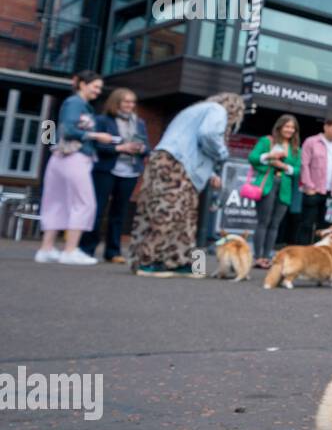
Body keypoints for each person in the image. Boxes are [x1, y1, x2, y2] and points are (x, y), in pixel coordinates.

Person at [129, 93, 245, 276]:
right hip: (177, 164)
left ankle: (184, 262)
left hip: (171, 162)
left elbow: (191, 143)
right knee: (169, 212)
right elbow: (208, 134)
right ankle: (148, 262)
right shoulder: (217, 110)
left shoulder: (193, 110)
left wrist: (209, 173)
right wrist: (222, 153)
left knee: (185, 217)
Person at [35, 70, 118, 265]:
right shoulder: (77, 104)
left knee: (57, 201)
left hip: (60, 157)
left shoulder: (75, 104)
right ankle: (70, 250)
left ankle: (46, 248)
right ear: (82, 84)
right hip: (75, 157)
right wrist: (98, 136)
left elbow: (64, 129)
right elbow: (69, 129)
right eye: (95, 87)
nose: (98, 91)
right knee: (84, 202)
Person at [82, 87, 149, 263]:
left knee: (119, 213)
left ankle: (113, 252)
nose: (130, 105)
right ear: (116, 102)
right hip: (106, 169)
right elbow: (94, 145)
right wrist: (120, 148)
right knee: (97, 210)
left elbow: (146, 147)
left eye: (132, 102)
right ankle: (86, 249)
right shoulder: (102, 120)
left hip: (130, 172)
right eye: (126, 101)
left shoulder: (139, 123)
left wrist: (141, 149)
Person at [248, 115, 301, 268]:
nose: (290, 130)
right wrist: (270, 156)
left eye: (292, 127)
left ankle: (267, 257)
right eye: (287, 126)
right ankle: (258, 257)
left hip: (284, 188)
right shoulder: (266, 141)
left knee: (275, 224)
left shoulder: (296, 148)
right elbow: (253, 158)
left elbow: (298, 170)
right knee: (263, 222)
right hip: (267, 184)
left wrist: (284, 166)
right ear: (279, 127)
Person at [298, 117, 332, 245]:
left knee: (326, 227)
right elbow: (304, 165)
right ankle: (303, 253)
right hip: (314, 190)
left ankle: (320, 256)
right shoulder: (311, 142)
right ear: (325, 127)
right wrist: (309, 186)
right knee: (307, 224)